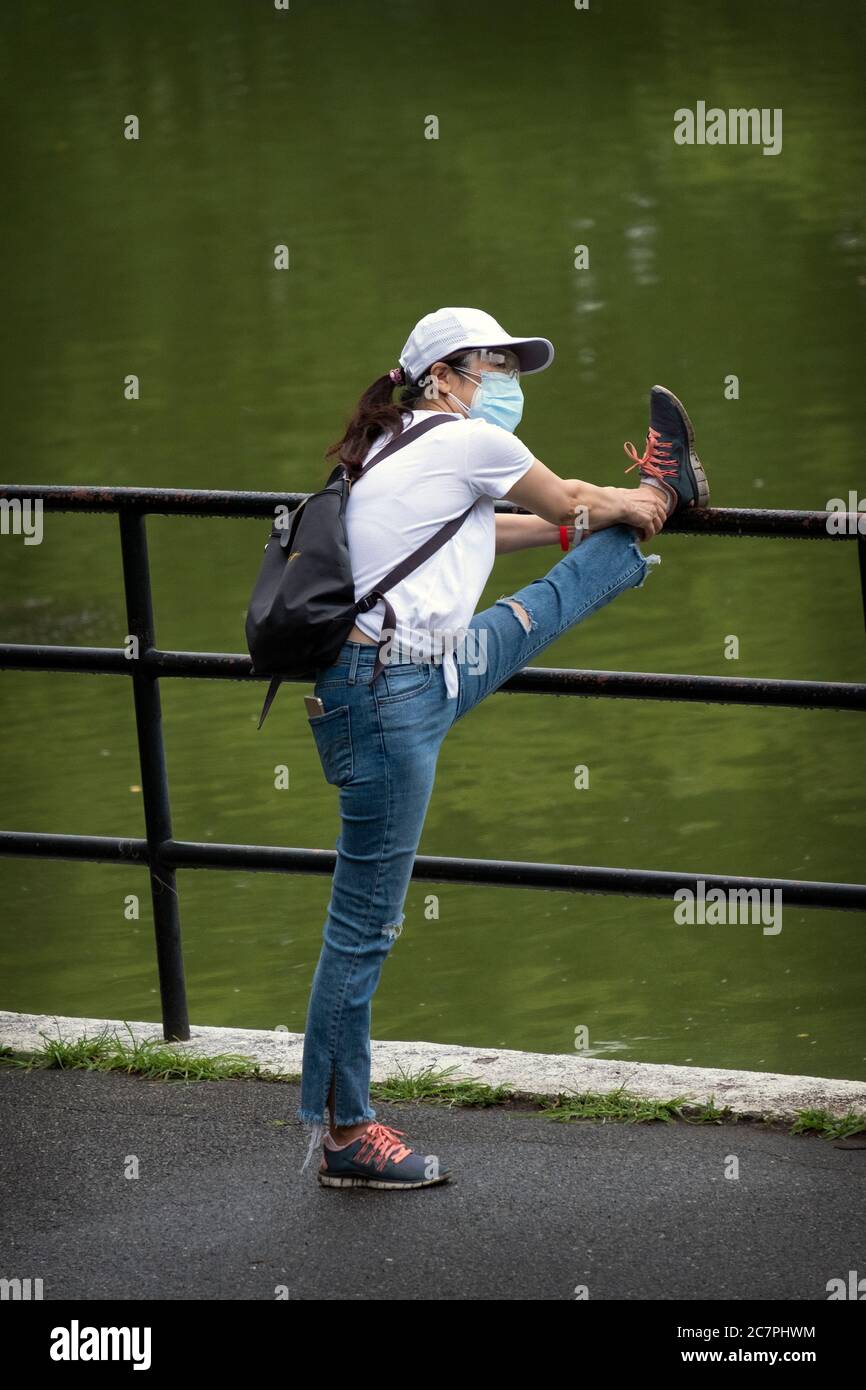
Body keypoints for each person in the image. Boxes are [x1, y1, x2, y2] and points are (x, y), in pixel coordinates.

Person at [296, 306, 709, 1189]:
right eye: (496, 365)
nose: (508, 383)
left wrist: (601, 522)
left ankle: (665, 498)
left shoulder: (395, 443)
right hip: (390, 696)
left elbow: (507, 527)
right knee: (363, 927)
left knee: (541, 606)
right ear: (443, 373)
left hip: (404, 679)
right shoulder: (463, 442)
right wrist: (629, 503)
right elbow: (563, 499)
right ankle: (344, 1134)